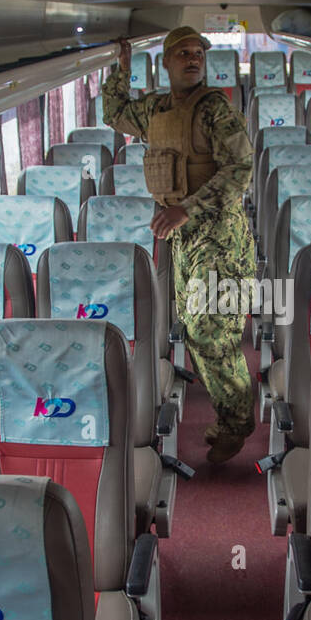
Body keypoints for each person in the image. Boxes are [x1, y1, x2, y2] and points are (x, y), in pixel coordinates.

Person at [101, 28, 255, 463]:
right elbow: (115, 113)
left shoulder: (215, 110)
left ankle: (237, 422)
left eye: (198, 54)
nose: (193, 59)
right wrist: (122, 64)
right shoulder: (156, 108)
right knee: (193, 327)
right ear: (165, 63)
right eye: (183, 53)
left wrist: (186, 208)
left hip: (221, 235)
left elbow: (241, 167)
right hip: (185, 237)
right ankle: (232, 413)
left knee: (212, 330)